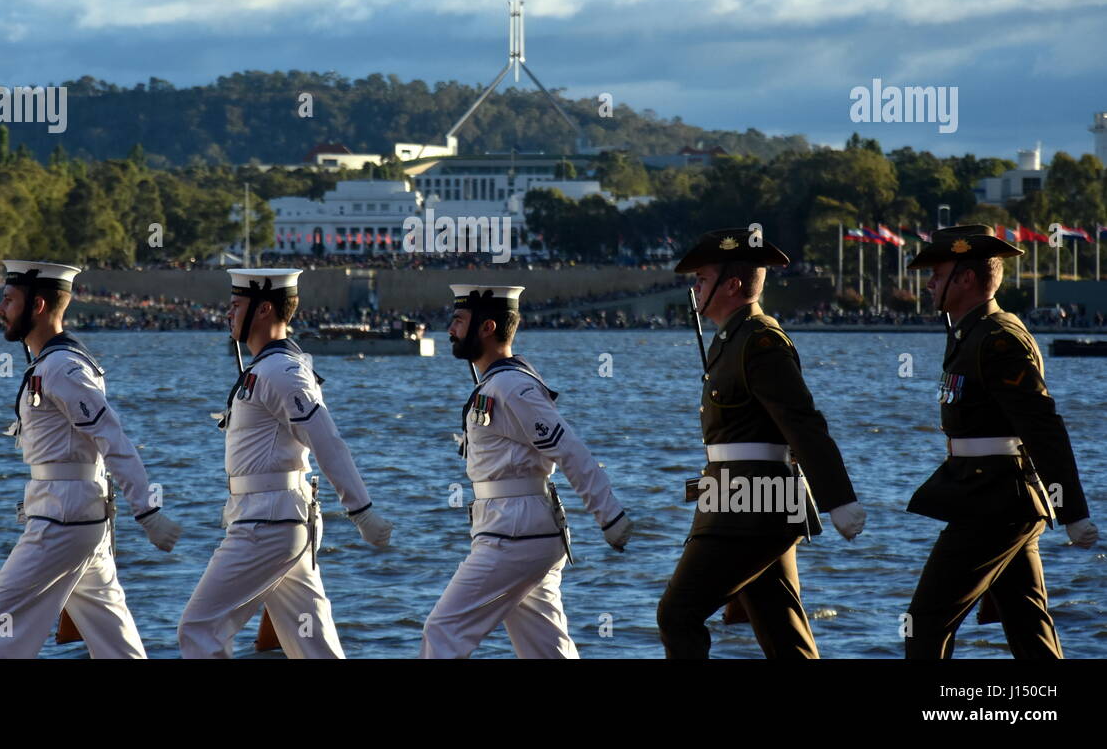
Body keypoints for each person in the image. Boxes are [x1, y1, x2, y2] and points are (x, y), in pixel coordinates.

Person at [658, 229, 865, 658]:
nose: (695, 287)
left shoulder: (759, 341)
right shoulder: (732, 339)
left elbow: (802, 423)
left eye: (702, 278)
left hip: (755, 507)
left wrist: (838, 499)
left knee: (678, 613)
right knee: (782, 633)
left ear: (731, 285)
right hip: (739, 502)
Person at [0, 260, 182, 658]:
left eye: (9, 300)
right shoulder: (54, 362)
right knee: (113, 640)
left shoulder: (62, 367)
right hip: (77, 516)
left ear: (39, 306)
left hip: (63, 519)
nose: (0, 309)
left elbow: (111, 436)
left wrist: (147, 511)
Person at [903, 225, 1098, 659]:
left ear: (966, 279)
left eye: (937, 273)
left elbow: (1042, 425)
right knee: (1029, 629)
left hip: (993, 503)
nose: (929, 283)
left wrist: (1073, 511)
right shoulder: (970, 332)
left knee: (925, 622)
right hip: (996, 498)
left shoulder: (998, 338)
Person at [177, 268, 392, 658]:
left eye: (236, 305)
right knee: (312, 647)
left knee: (199, 629)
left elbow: (326, 440)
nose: (227, 313)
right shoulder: (267, 368)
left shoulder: (281, 370)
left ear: (262, 310)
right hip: (274, 519)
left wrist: (361, 511)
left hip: (269, 523)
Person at [420, 284, 633, 659]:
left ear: (486, 328)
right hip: (519, 530)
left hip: (514, 533)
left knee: (443, 632)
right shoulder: (498, 382)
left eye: (458, 321)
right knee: (545, 651)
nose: (450, 330)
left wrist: (609, 516)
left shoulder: (513, 386)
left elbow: (570, 449)